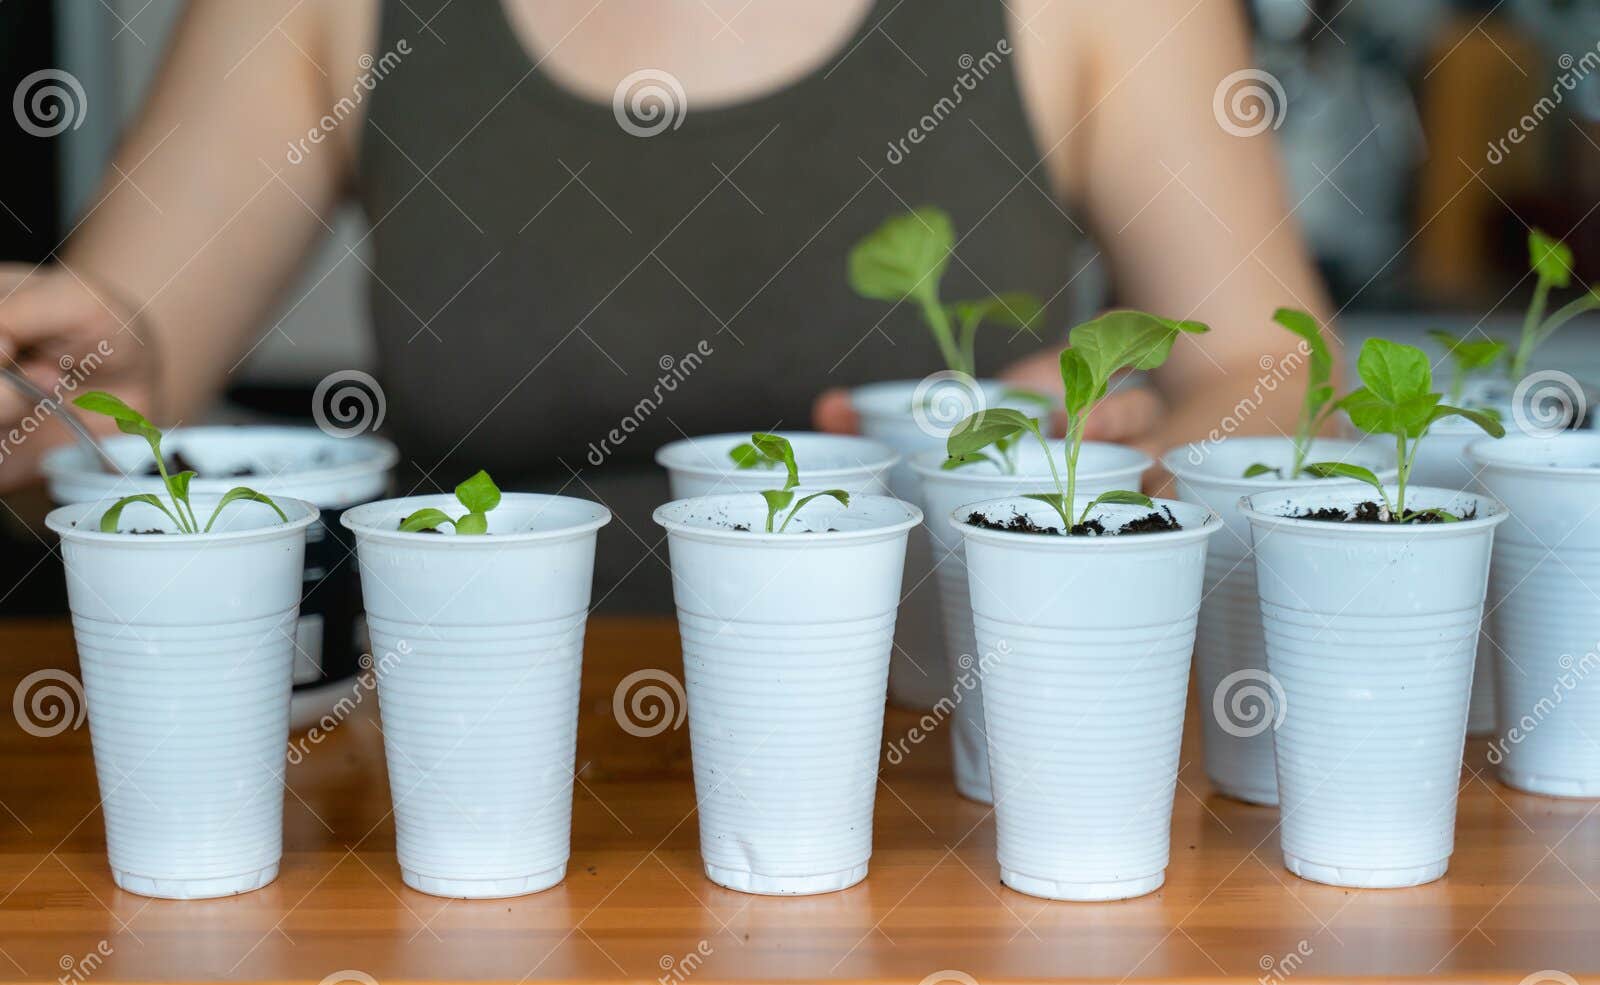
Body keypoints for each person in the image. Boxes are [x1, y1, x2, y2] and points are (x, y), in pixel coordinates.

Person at [0, 0, 1328, 607]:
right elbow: (105, 379)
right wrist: (28, 401)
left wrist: (1149, 462)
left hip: (953, 772)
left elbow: (1277, 363)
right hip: (459, 764)